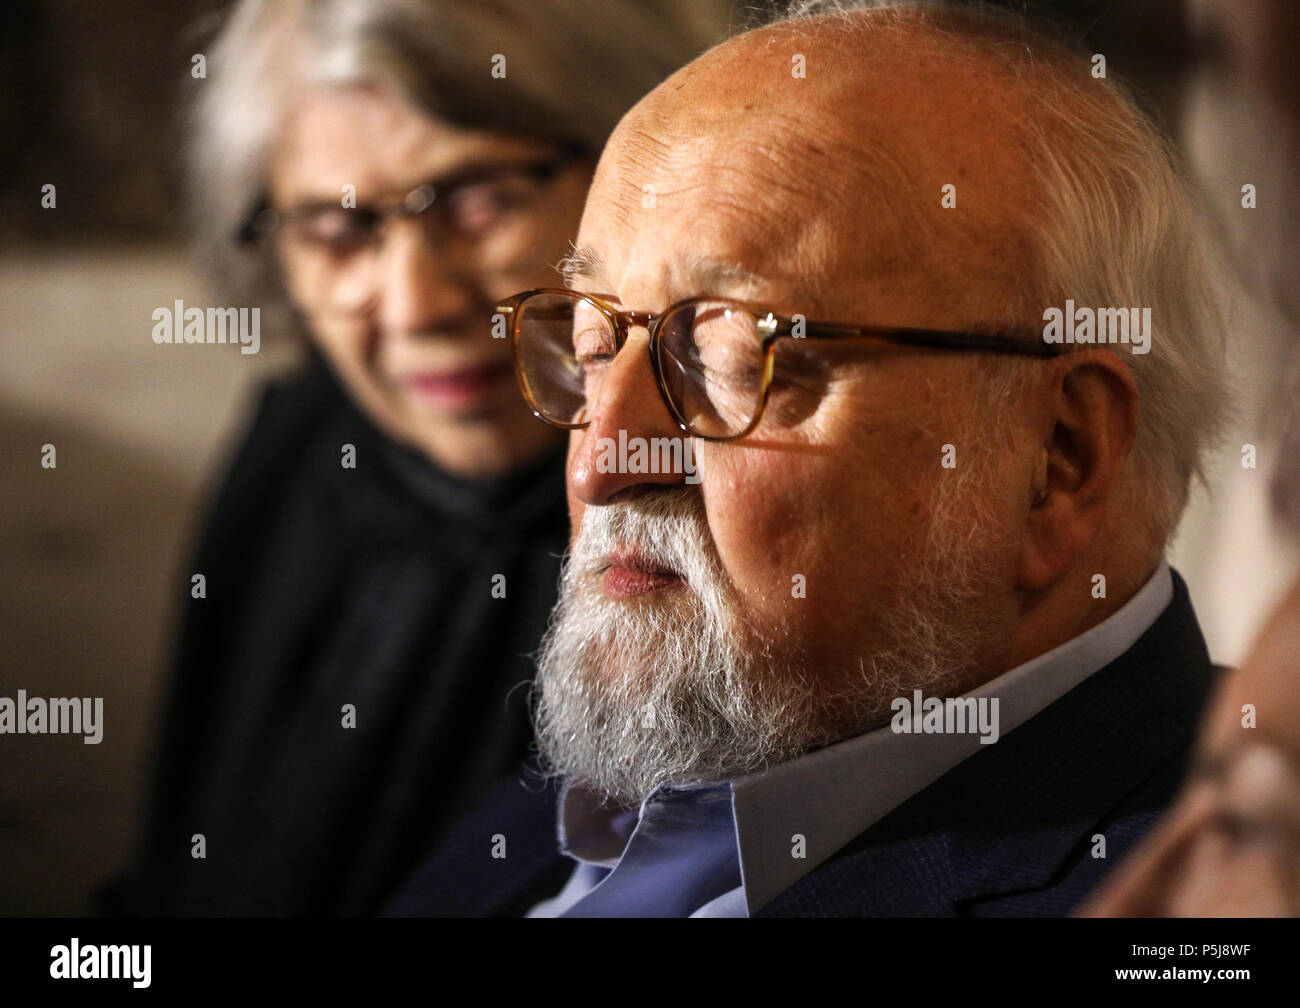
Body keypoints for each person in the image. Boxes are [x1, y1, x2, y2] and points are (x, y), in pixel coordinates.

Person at [388, 0, 1233, 917]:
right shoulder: (575, 800)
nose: (602, 461)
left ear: (1057, 456)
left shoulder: (1202, 899)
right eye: (594, 344)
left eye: (729, 357)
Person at [103, 0, 729, 916]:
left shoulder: (710, 517)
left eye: (481, 200)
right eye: (337, 229)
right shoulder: (302, 436)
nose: (415, 307)